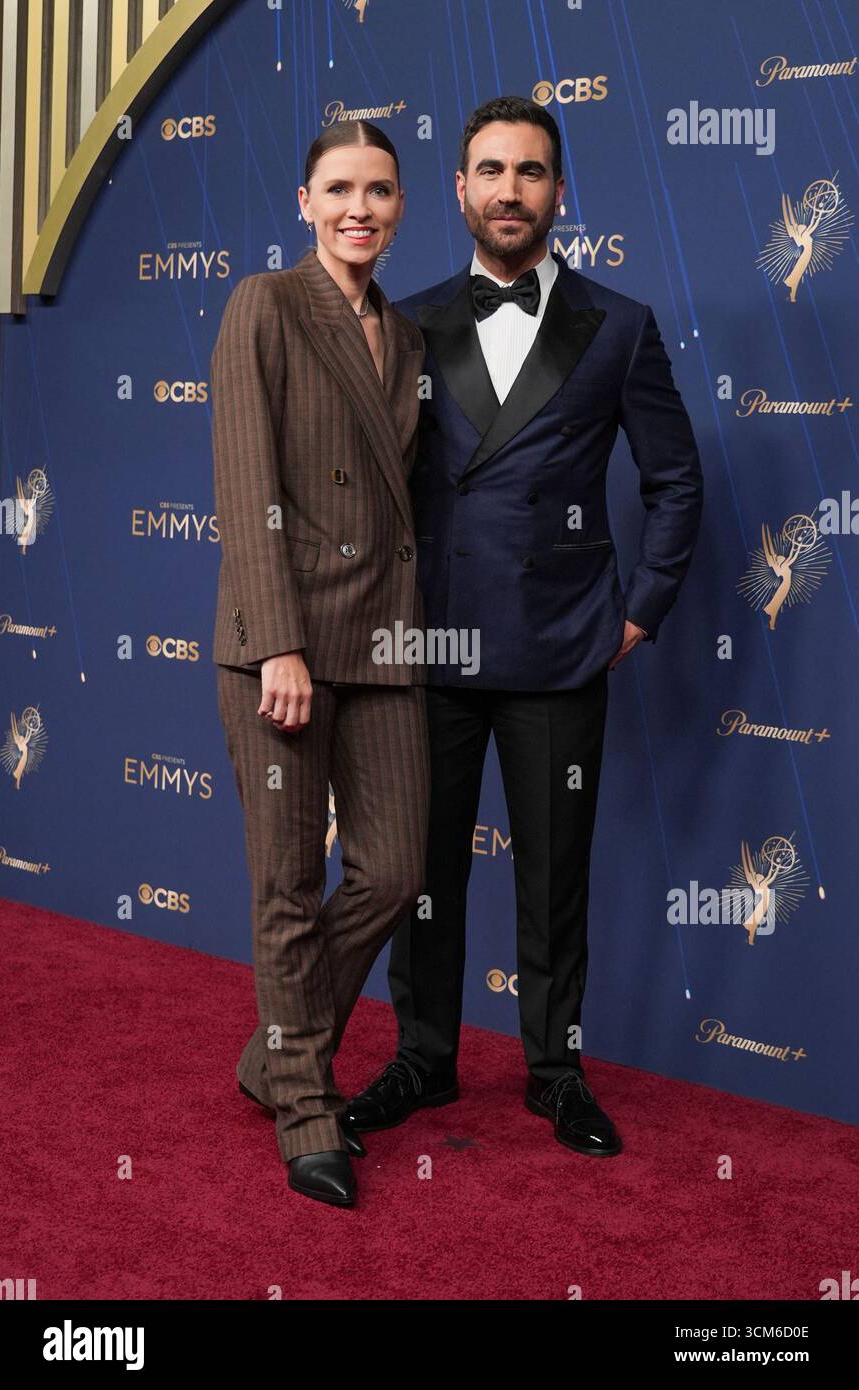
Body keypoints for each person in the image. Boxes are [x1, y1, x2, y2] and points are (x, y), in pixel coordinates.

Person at [345, 95, 704, 1158]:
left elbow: (674, 481)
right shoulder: (402, 323)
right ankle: (422, 1056)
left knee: (554, 874)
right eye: (490, 171)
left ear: (558, 190)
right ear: (456, 192)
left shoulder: (619, 326)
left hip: (557, 648)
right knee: (419, 874)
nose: (510, 190)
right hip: (433, 644)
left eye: (531, 172)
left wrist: (635, 613)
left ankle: (555, 1070)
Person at [211, 121, 429, 1208]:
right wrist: (276, 643)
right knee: (287, 884)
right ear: (304, 200)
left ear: (400, 203)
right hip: (284, 646)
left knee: (391, 870)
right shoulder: (266, 302)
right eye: (339, 188)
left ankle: (271, 1052)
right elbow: (245, 477)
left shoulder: (408, 334)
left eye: (379, 190)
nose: (360, 208)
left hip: (386, 639)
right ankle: (304, 1102)